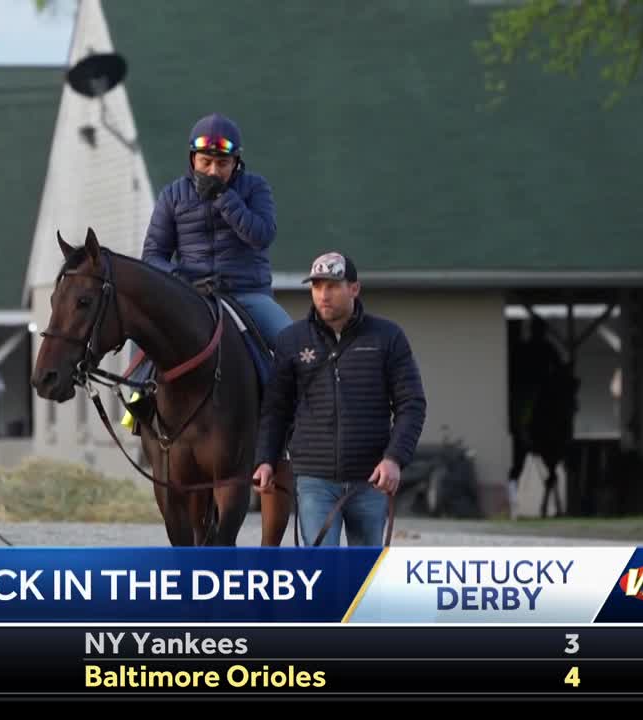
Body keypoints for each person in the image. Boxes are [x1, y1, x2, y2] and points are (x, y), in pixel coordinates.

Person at [122, 112, 292, 432]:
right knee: (140, 326)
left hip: (246, 293)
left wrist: (224, 198)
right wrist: (180, 279)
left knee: (293, 343)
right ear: (193, 159)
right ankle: (138, 401)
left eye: (222, 164)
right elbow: (153, 254)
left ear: (236, 163)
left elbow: (261, 235)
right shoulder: (172, 195)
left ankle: (297, 421)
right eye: (205, 162)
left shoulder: (255, 188)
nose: (213, 170)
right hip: (191, 292)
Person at [252, 252, 427, 546]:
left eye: (333, 286)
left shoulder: (387, 337)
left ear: (354, 289)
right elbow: (275, 410)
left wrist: (394, 459)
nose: (324, 295)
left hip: (371, 480)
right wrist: (265, 460)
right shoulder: (291, 341)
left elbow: (412, 404)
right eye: (317, 286)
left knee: (367, 579)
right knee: (321, 575)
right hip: (313, 480)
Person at [506, 315, 566, 512]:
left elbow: (560, 369)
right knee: (525, 407)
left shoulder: (547, 348)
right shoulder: (525, 349)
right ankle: (523, 432)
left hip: (542, 392)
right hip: (527, 393)